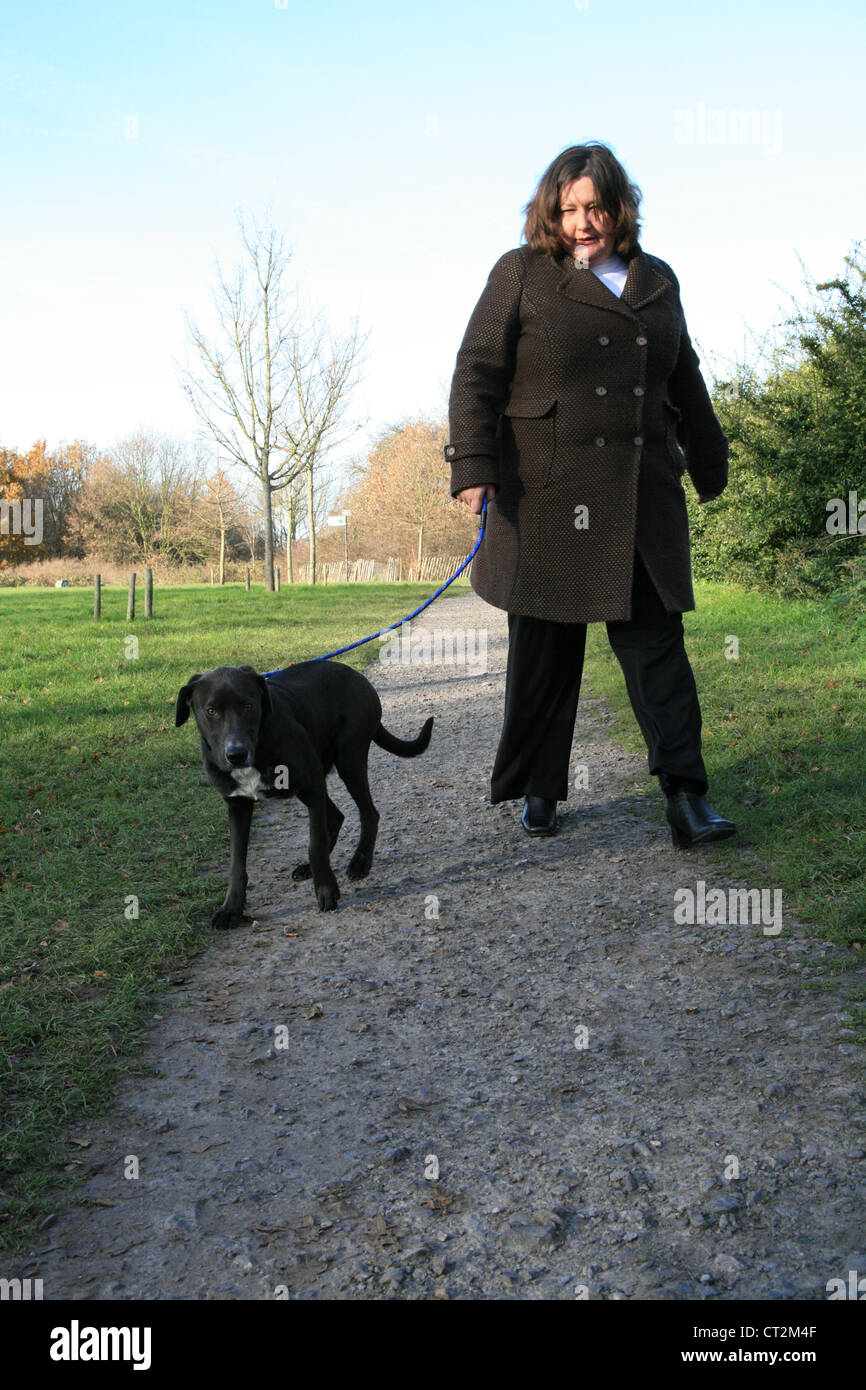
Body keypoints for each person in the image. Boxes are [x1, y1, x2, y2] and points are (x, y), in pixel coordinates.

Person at [444, 142, 736, 848]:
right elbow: (477, 370)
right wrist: (475, 464)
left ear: (620, 209)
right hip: (545, 494)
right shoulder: (521, 274)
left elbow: (684, 374)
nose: (583, 222)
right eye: (569, 208)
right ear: (550, 211)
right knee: (545, 653)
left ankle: (686, 796)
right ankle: (541, 789)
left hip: (640, 499)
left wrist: (708, 454)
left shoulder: (657, 282)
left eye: (596, 207)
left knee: (658, 648)